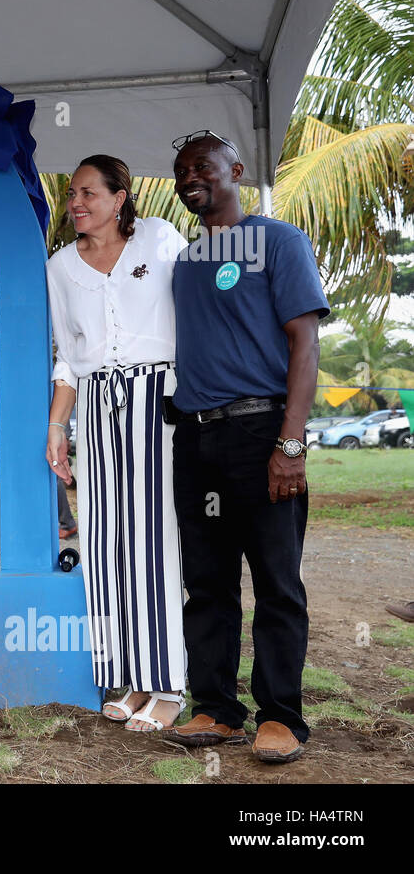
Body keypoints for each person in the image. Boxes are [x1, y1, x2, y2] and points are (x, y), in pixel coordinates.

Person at [160, 131, 328, 764]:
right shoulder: (185, 264)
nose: (189, 177)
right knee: (206, 582)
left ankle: (281, 716)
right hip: (198, 439)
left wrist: (291, 443)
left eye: (202, 166)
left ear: (236, 170)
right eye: (180, 171)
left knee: (277, 582)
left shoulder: (279, 242)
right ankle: (216, 709)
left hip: (263, 435)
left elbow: (304, 346)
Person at [46, 155, 190, 732]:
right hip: (98, 406)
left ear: (120, 195)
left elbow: (197, 311)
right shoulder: (60, 266)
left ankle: (170, 685)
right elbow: (68, 353)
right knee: (106, 542)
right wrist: (58, 426)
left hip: (162, 397)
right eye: (72, 195)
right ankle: (127, 676)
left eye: (88, 192)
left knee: (156, 541)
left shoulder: (159, 239)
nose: (76, 202)